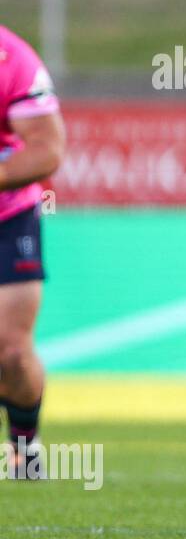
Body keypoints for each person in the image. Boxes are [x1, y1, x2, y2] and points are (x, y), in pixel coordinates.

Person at [0, 25, 65, 479]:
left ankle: (25, 448)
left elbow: (47, 151)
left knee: (11, 353)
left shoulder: (11, 57)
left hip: (8, 216)